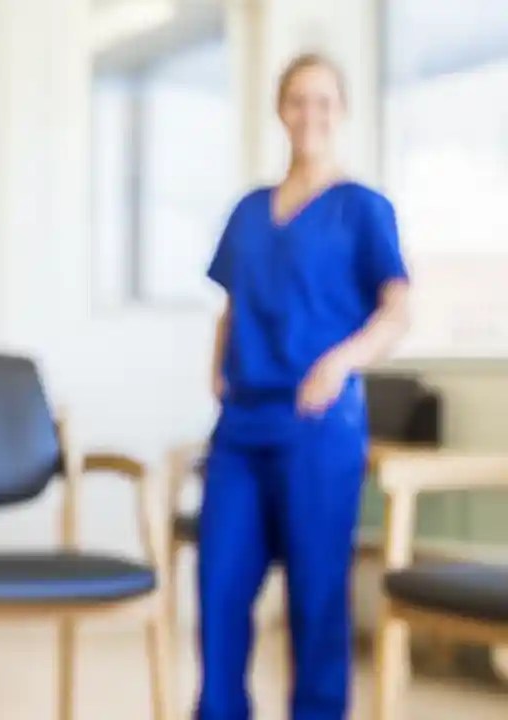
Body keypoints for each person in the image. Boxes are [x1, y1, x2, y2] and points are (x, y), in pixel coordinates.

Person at [197, 53, 411, 720]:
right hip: (241, 428)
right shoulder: (248, 210)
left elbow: (398, 310)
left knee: (316, 599)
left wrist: (342, 360)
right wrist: (217, 367)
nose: (309, 114)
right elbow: (231, 305)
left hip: (319, 430)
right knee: (221, 587)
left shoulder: (363, 209)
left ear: (341, 111)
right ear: (280, 110)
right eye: (297, 100)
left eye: (323, 101)